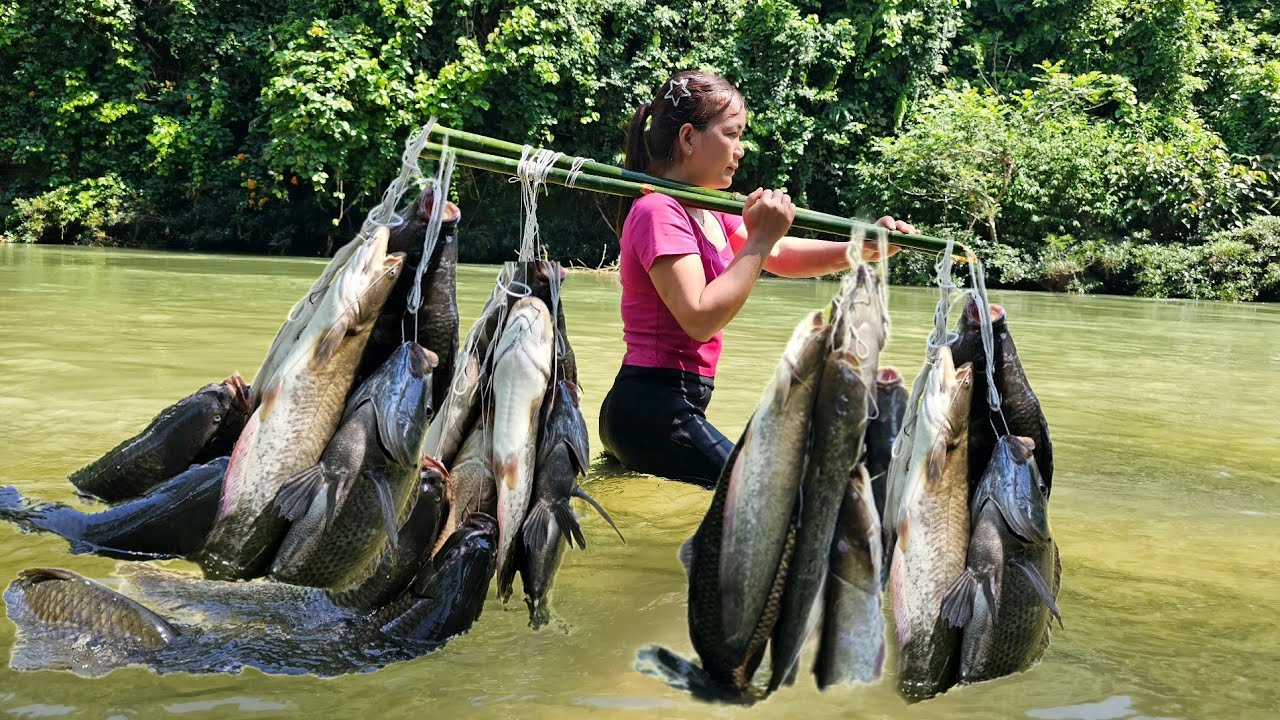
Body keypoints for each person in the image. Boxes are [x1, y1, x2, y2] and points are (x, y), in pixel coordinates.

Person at [598, 69, 920, 488]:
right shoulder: (658, 211)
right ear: (689, 138)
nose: (741, 148)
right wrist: (763, 236)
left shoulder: (706, 209)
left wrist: (863, 250)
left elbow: (779, 255)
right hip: (652, 408)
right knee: (760, 495)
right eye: (732, 134)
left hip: (665, 407)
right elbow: (699, 316)